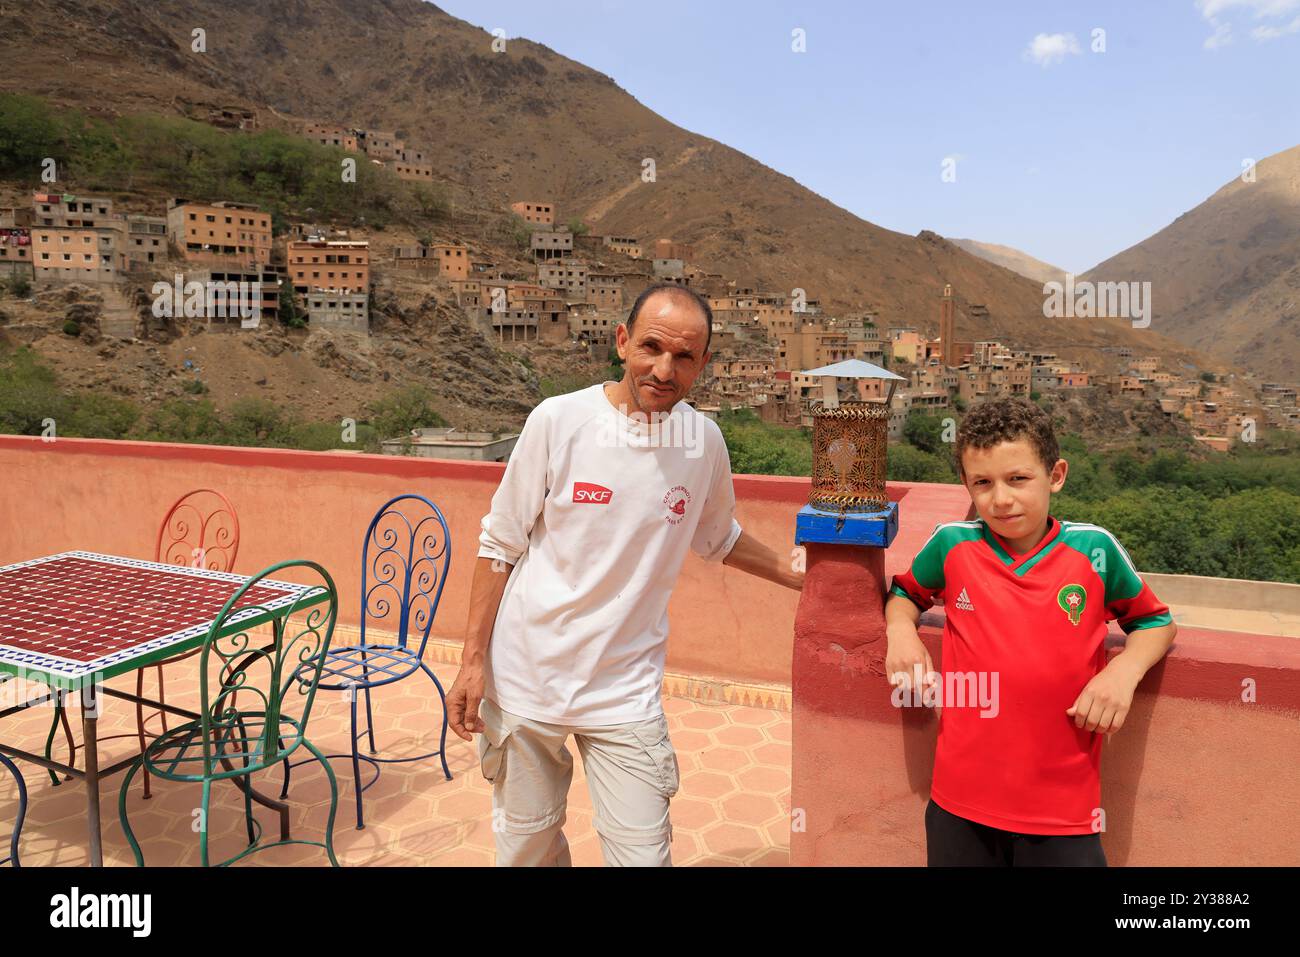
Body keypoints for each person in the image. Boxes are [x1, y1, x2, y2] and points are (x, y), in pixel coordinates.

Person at [446, 282, 803, 866]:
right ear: (621, 342)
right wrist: (471, 663)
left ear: (703, 363)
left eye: (684, 356)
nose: (664, 370)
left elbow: (719, 538)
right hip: (528, 678)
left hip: (625, 691)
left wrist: (808, 577)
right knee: (528, 844)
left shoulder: (703, 442)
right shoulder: (559, 421)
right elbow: (500, 544)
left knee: (642, 855)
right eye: (651, 348)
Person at [884, 398, 1176, 866]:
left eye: (1018, 478)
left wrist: (1124, 673)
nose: (1001, 499)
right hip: (960, 800)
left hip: (1064, 810)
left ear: (1055, 475)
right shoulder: (952, 545)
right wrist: (901, 633)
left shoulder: (1092, 550)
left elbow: (1154, 622)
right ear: (967, 485)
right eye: (983, 482)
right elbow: (906, 594)